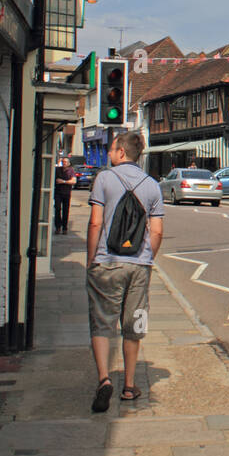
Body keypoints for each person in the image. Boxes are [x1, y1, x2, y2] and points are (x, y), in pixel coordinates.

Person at [86, 131, 164, 411]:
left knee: (102, 322)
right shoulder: (153, 185)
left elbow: (95, 224)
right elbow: (157, 232)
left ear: (121, 152)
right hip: (139, 265)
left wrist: (91, 258)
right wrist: (145, 259)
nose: (108, 154)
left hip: (106, 262)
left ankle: (105, 379)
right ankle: (129, 386)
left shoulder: (104, 178)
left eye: (110, 149)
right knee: (134, 326)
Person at [54, 155, 77, 233]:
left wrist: (63, 181)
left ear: (69, 163)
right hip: (57, 192)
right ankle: (57, 227)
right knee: (57, 209)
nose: (64, 163)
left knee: (65, 210)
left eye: (66, 162)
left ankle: (64, 228)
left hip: (66, 193)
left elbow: (74, 181)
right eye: (63, 162)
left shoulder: (71, 171)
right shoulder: (57, 169)